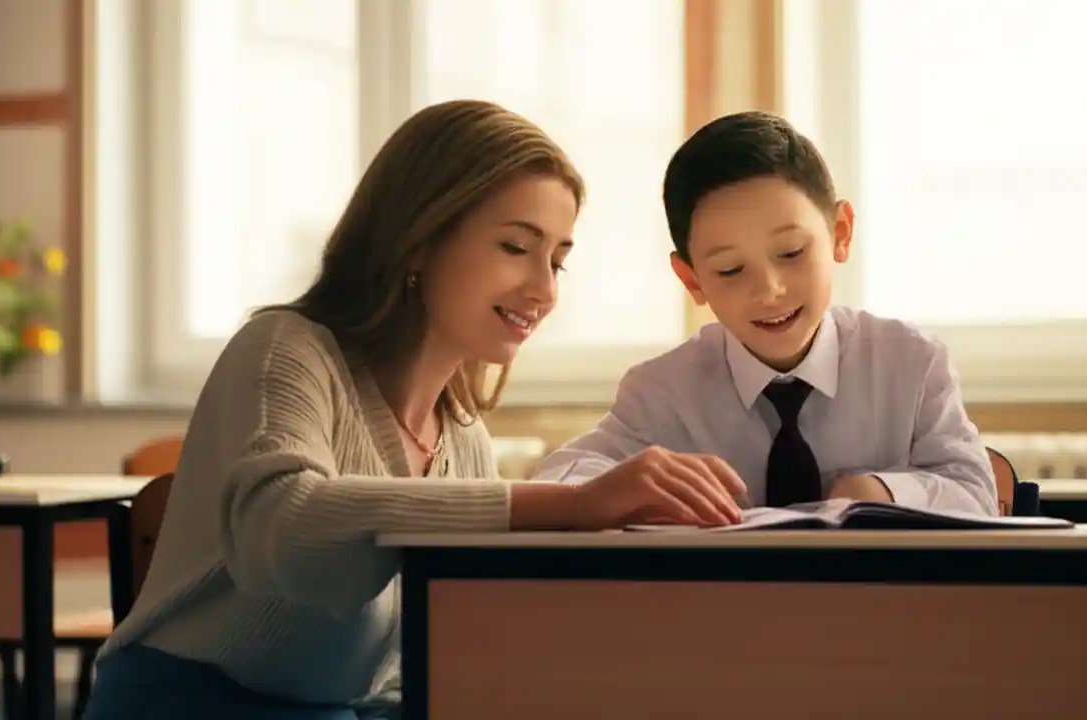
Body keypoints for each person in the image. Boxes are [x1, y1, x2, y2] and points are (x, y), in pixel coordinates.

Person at [83, 100, 745, 720]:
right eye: (516, 247)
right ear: (419, 237)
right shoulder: (285, 350)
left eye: (558, 260)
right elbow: (282, 529)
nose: (543, 289)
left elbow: (449, 643)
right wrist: (567, 504)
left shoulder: (463, 439)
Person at [536, 111, 997, 515]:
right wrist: (628, 484)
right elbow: (557, 478)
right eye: (730, 270)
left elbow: (976, 491)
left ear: (840, 232)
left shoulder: (911, 365)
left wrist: (883, 491)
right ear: (692, 279)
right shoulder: (662, 394)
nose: (769, 291)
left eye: (792, 253)